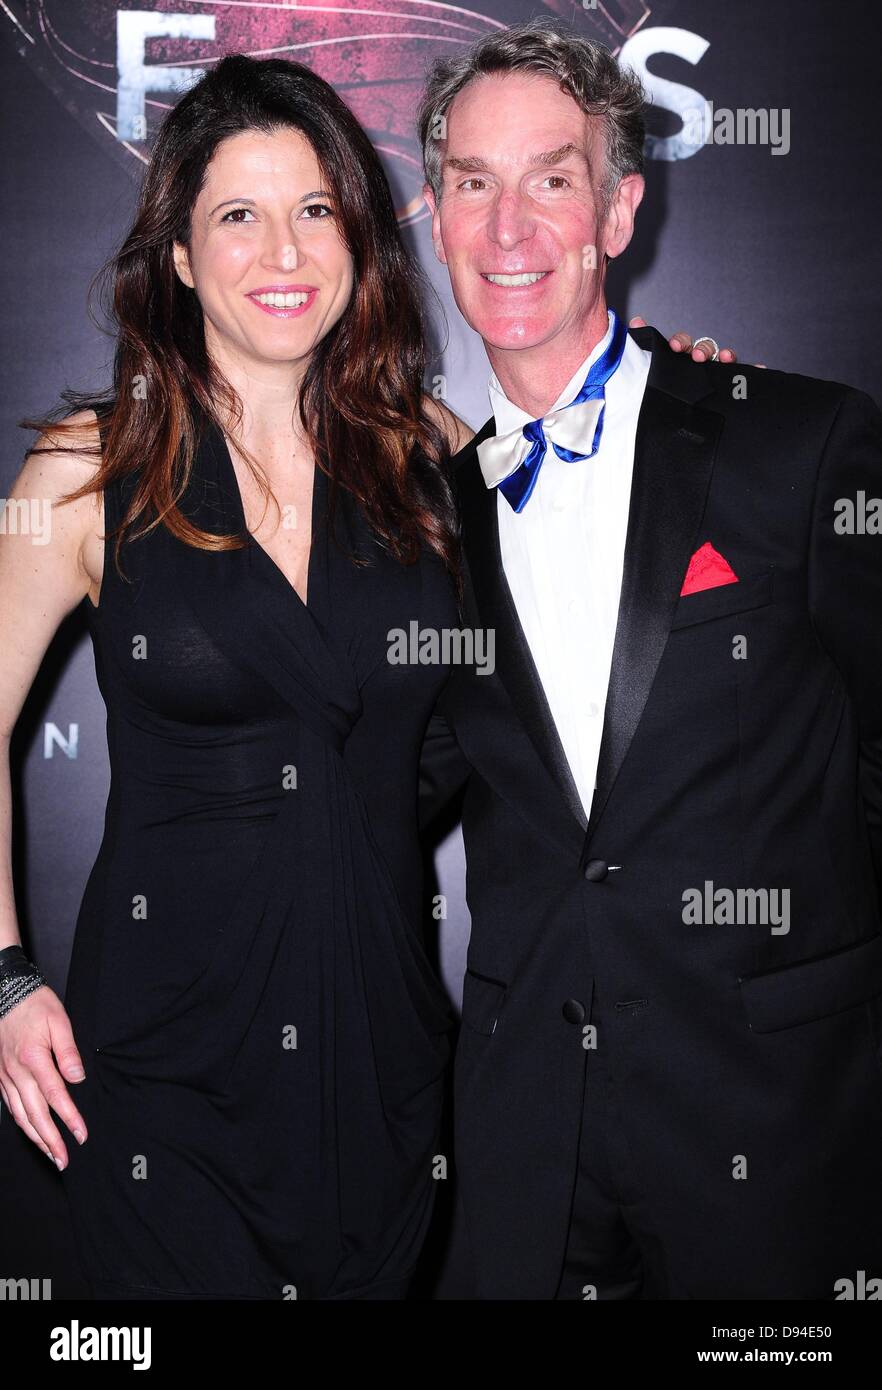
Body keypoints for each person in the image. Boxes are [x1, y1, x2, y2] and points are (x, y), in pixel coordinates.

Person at [417, 18, 882, 1299]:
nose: (509, 229)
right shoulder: (420, 522)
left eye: (551, 180)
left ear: (619, 211)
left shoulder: (795, 443)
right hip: (527, 1146)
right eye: (474, 184)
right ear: (437, 217)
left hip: (774, 1126)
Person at [0, 53, 472, 1301]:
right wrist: (1, 977)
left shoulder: (435, 462)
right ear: (179, 255)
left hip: (380, 1052)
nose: (285, 250)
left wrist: (695, 397)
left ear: (358, 242)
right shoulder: (86, 466)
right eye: (238, 215)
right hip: (162, 1062)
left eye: (316, 209)